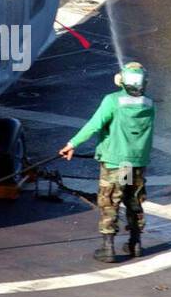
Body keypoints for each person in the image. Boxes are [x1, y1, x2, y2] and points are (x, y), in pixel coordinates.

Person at [59, 62, 157, 263]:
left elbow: (94, 125)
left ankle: (108, 248)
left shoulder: (112, 101)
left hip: (115, 163)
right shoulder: (149, 103)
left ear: (122, 80)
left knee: (110, 201)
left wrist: (72, 144)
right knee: (133, 199)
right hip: (134, 164)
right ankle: (135, 243)